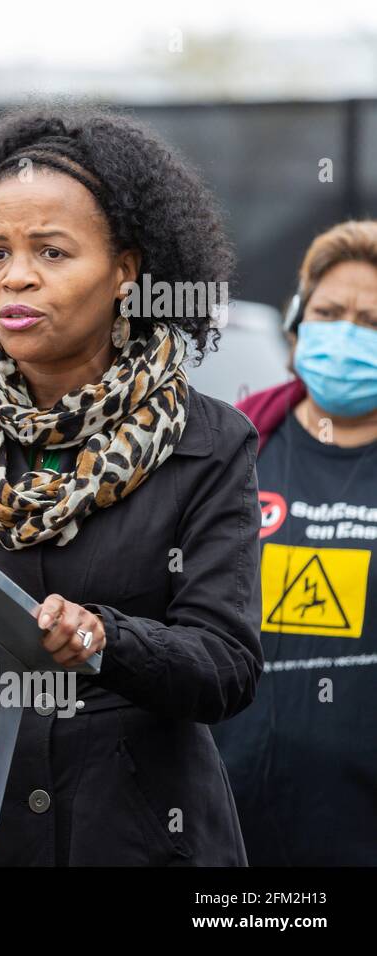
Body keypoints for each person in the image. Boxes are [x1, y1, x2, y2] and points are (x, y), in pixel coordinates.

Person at [0, 103, 262, 865]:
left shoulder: (207, 443)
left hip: (133, 835)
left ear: (127, 273)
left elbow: (224, 665)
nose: (18, 276)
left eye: (52, 252)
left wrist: (107, 638)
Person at [213, 221, 377, 865]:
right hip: (228, 816)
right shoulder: (235, 450)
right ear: (297, 321)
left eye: (370, 320)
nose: (346, 332)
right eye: (331, 312)